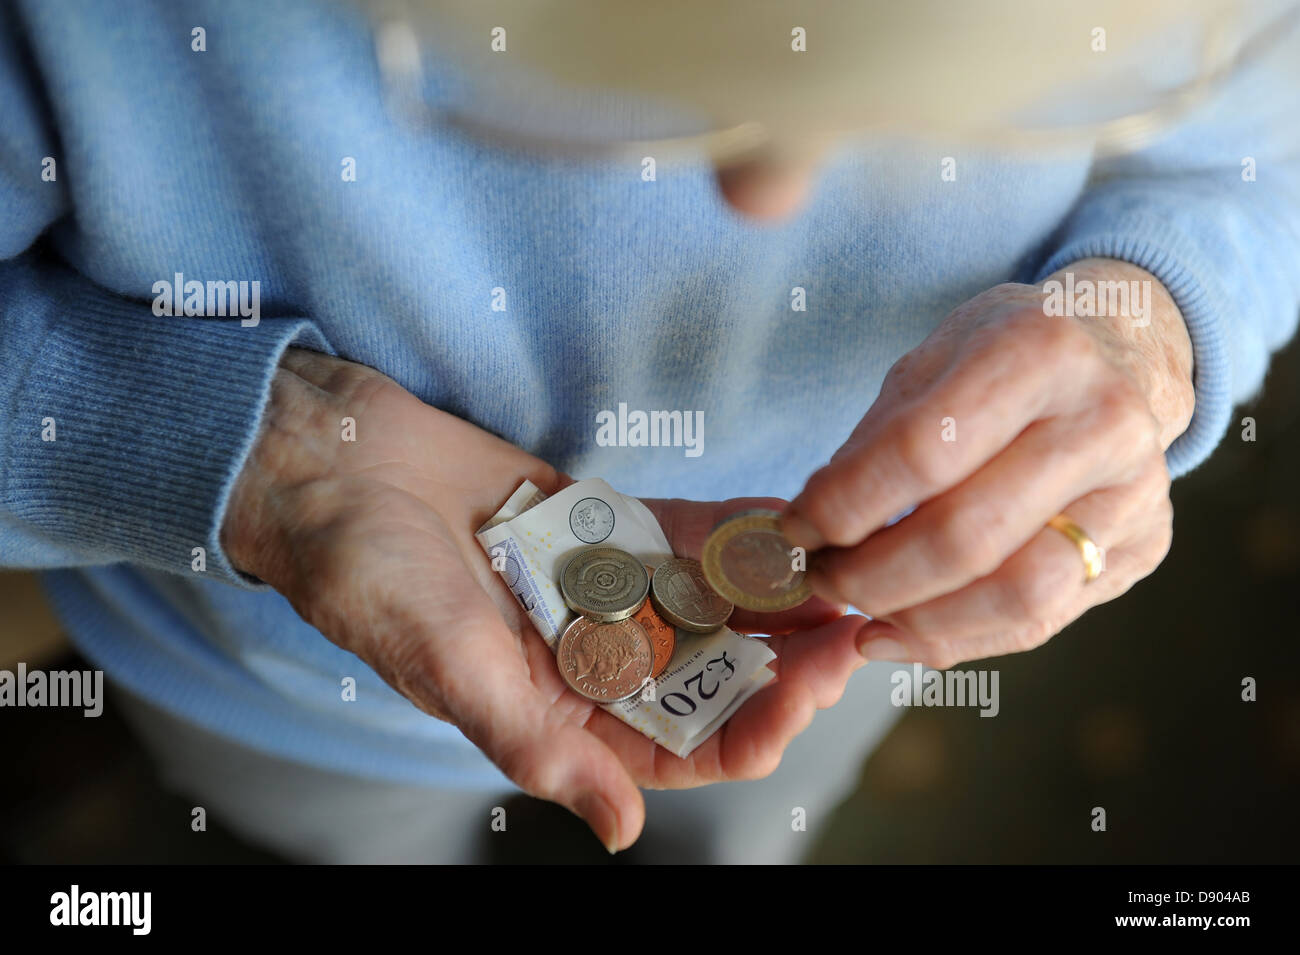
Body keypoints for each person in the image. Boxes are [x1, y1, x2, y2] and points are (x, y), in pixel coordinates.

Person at [2, 0, 1297, 864]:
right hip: (274, 691)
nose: (775, 188)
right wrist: (260, 464)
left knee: (741, 825)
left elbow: (1258, 145)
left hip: (824, 655)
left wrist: (1151, 321)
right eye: (628, 95)